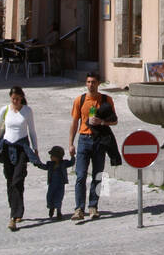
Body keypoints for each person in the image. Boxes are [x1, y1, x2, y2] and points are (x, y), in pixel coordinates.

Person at [0, 86, 42, 231]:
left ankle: (13, 216)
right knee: (10, 179)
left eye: (18, 99)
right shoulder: (5, 110)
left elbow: (32, 131)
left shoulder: (27, 111)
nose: (16, 101)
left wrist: (35, 149)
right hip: (6, 148)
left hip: (21, 148)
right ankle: (16, 208)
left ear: (22, 98)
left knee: (18, 178)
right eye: (13, 99)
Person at [68, 71, 118, 223]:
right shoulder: (80, 100)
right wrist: (70, 143)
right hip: (84, 139)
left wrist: (101, 123)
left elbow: (114, 121)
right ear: (86, 83)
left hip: (99, 141)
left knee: (97, 175)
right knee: (81, 175)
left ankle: (93, 206)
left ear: (98, 84)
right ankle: (79, 208)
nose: (91, 85)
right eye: (88, 82)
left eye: (93, 82)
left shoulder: (106, 99)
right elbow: (74, 122)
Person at [38, 145, 75, 220]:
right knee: (50, 196)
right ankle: (51, 207)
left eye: (52, 155)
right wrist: (37, 162)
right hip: (52, 184)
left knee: (59, 197)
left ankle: (59, 211)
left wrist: (72, 156)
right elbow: (44, 167)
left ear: (58, 157)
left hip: (60, 184)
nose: (50, 157)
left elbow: (71, 163)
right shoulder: (50, 164)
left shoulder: (64, 163)